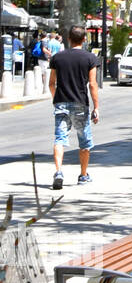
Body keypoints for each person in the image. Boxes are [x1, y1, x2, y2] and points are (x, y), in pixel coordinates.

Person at [49, 25, 100, 190]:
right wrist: (96, 107)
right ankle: (83, 175)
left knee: (59, 139)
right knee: (84, 141)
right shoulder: (90, 58)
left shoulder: (57, 57)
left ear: (69, 39)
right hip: (80, 103)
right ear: (84, 39)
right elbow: (92, 84)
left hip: (61, 103)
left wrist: (56, 99)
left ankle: (58, 172)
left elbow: (51, 83)